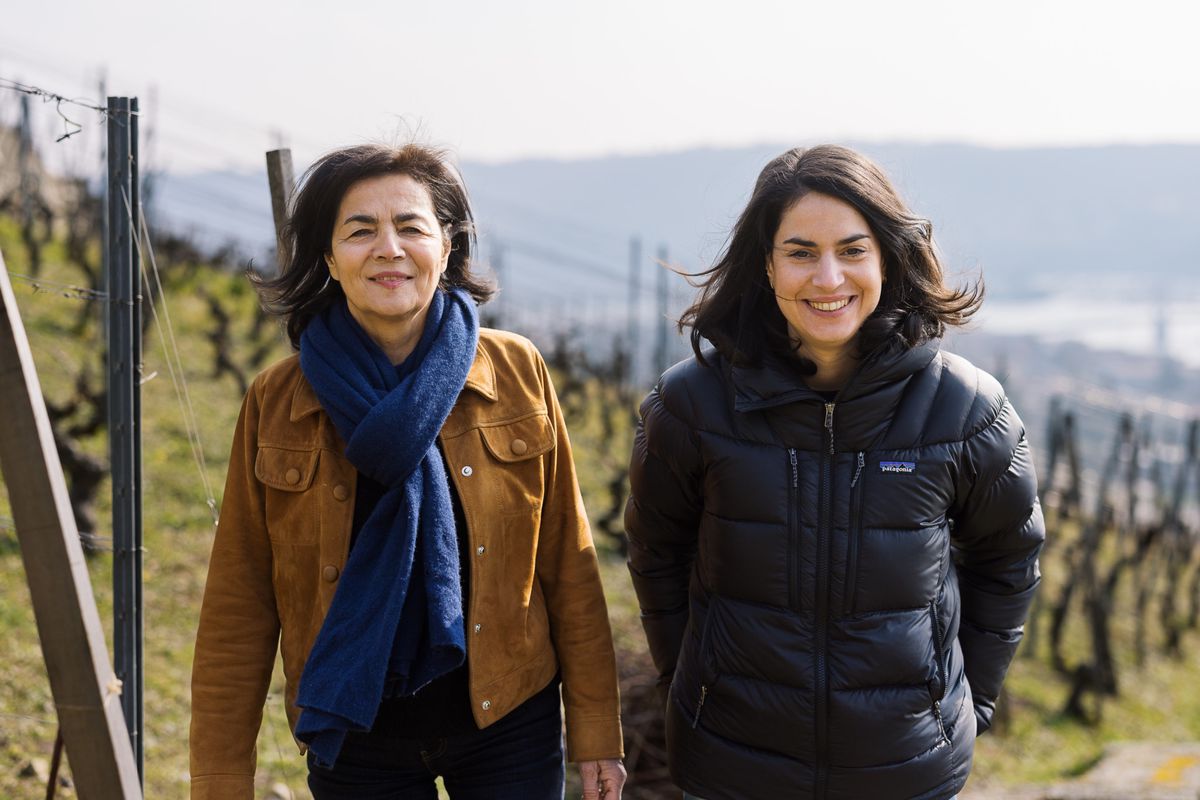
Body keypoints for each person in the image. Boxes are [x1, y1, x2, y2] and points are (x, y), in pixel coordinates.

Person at [190, 143, 626, 800]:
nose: (389, 248)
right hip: (354, 730)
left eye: (411, 227)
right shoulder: (279, 402)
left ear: (446, 248)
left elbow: (569, 562)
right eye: (360, 231)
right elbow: (240, 601)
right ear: (328, 258)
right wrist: (220, 781)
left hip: (509, 716)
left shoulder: (514, 373)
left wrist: (597, 733)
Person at [625, 144, 1043, 800]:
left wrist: (966, 702)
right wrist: (692, 685)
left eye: (852, 250)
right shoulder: (691, 408)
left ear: (887, 258)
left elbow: (1009, 559)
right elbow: (657, 556)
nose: (828, 279)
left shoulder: (964, 410)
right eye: (800, 252)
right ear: (765, 266)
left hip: (906, 772)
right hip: (732, 770)